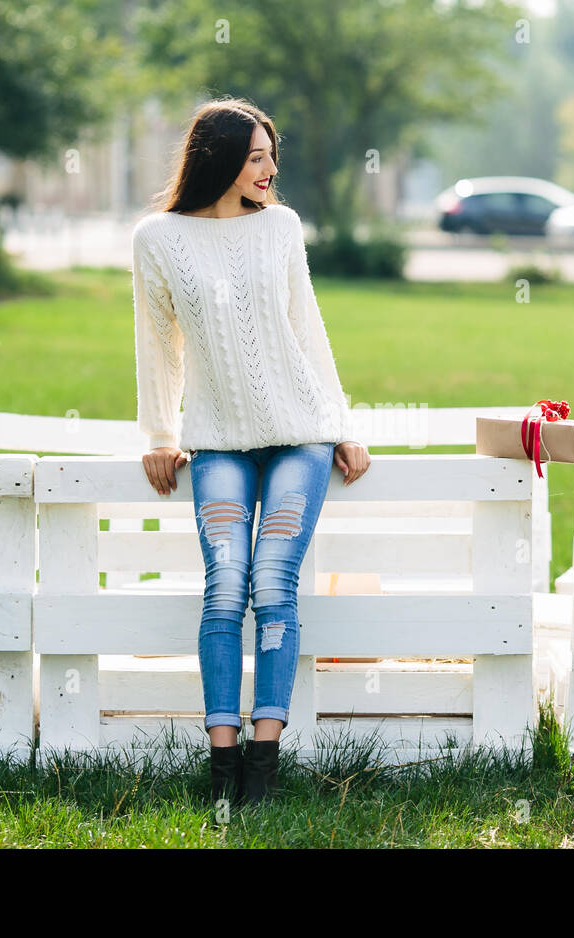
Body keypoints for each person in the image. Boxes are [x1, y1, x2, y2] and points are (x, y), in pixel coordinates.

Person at [131, 97, 370, 806]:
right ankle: (221, 763)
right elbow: (156, 345)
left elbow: (308, 329)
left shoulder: (282, 229)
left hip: (301, 433)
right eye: (256, 156)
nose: (269, 169)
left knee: (273, 583)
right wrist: (160, 436)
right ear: (219, 159)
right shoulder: (158, 238)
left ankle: (264, 764)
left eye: (272, 155)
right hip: (217, 440)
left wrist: (342, 422)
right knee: (226, 585)